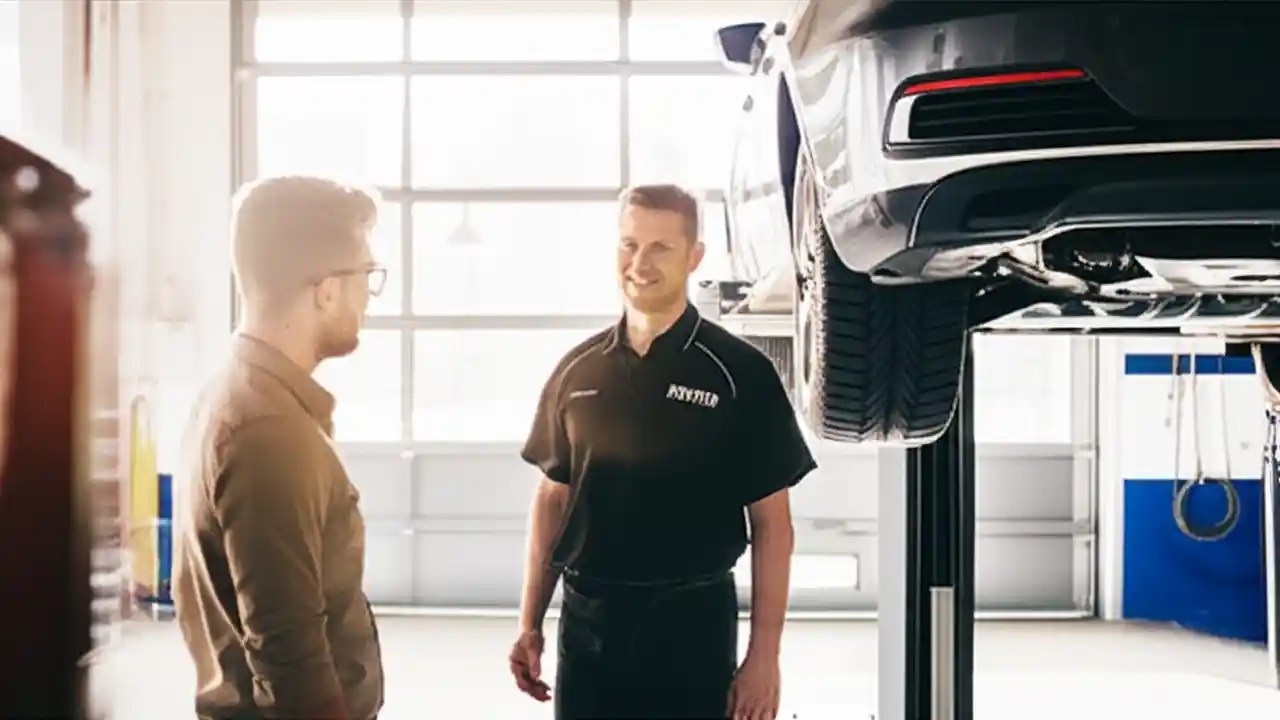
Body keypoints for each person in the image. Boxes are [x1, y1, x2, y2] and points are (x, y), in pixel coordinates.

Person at [508, 183, 818, 720]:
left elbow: (773, 526)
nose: (640, 262)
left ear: (694, 256)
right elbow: (552, 503)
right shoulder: (578, 372)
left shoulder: (739, 374)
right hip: (588, 629)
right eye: (629, 244)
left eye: (661, 248)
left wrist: (764, 658)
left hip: (691, 628)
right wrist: (530, 623)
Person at [172, 175, 387, 720]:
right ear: (327, 289)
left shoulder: (229, 395)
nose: (369, 293)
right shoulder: (269, 434)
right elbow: (292, 657)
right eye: (367, 273)